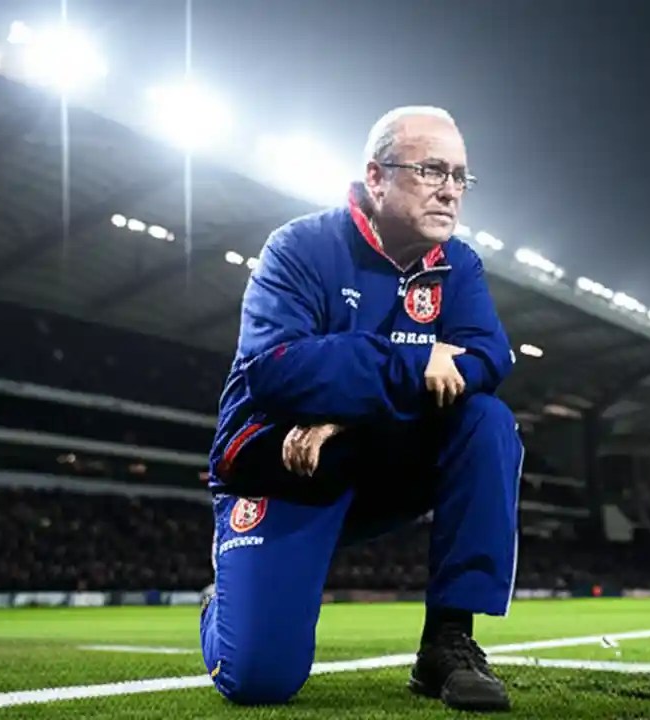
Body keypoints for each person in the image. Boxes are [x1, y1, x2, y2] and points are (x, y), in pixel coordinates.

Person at [200, 106, 522, 713]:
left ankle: (448, 639)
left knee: (487, 421)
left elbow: (489, 357)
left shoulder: (460, 265)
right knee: (261, 682)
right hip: (286, 472)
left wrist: (346, 406)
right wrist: (414, 364)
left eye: (460, 176)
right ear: (376, 176)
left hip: (377, 462)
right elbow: (275, 371)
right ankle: (221, 600)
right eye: (432, 170)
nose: (451, 190)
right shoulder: (299, 248)